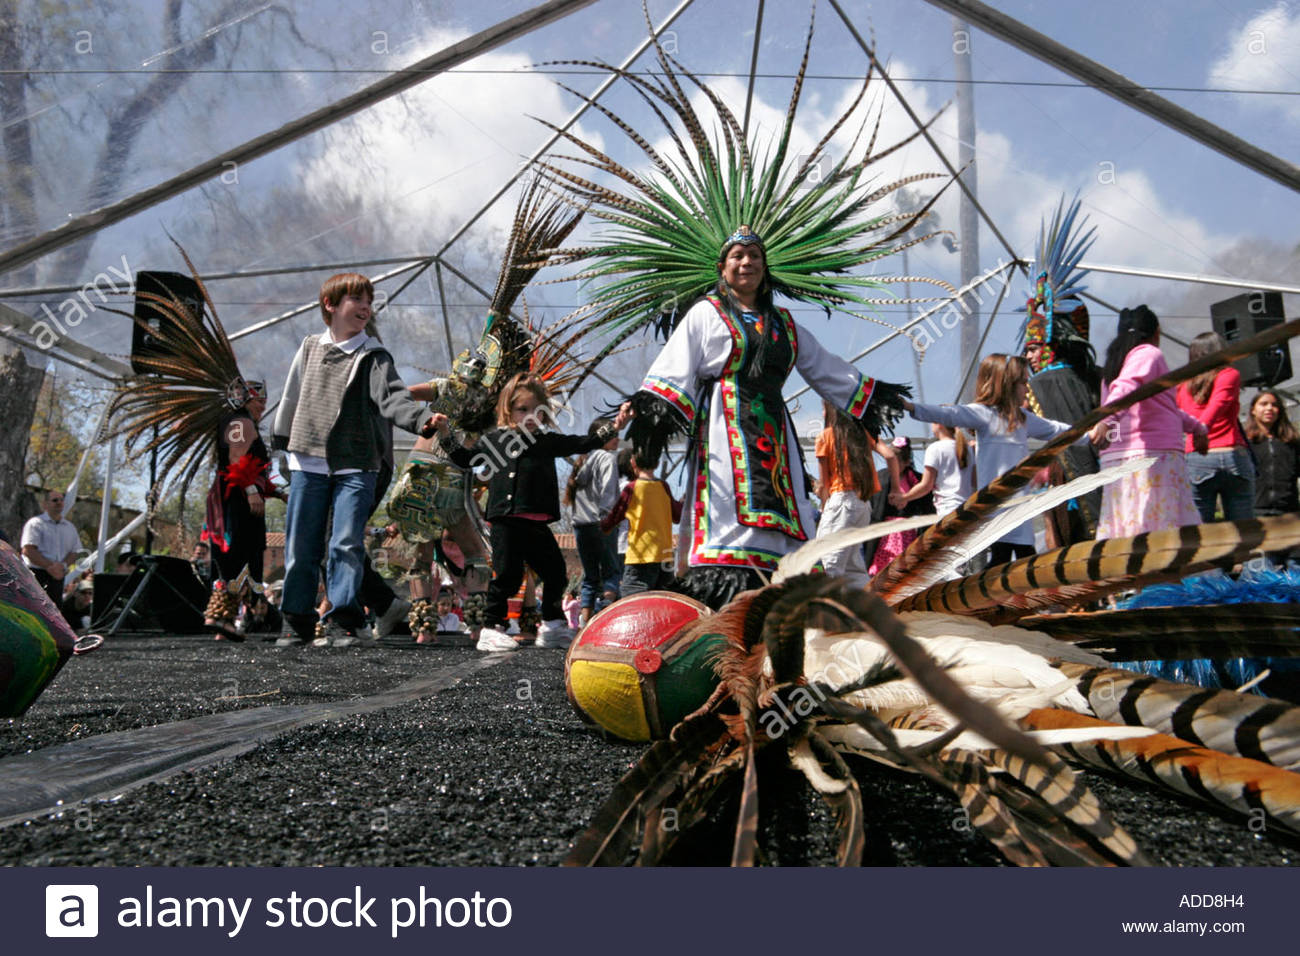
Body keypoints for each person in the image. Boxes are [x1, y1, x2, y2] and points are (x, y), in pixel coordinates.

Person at [621, 227, 909, 608]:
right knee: (727, 506)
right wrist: (650, 409)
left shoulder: (784, 325)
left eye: (754, 255)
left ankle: (783, 589)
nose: (747, 262)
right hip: (725, 429)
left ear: (765, 266)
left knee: (784, 504)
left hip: (775, 432)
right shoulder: (706, 314)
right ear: (721, 268)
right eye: (737, 256)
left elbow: (827, 369)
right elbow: (676, 366)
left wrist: (878, 398)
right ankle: (725, 597)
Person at [271, 273, 435, 648]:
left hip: (356, 465)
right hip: (307, 462)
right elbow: (292, 396)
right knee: (300, 545)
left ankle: (344, 619)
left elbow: (393, 398)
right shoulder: (310, 347)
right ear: (330, 305)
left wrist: (421, 420)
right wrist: (283, 446)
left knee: (345, 543)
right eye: (356, 300)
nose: (364, 307)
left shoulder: (373, 355)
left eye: (368, 301)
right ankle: (296, 619)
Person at [431, 373, 626, 652]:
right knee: (507, 575)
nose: (530, 416)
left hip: (536, 523)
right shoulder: (496, 440)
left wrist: (615, 426)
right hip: (506, 521)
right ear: (509, 410)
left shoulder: (546, 441)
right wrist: (446, 434)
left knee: (556, 572)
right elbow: (466, 459)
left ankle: (553, 624)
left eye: (537, 410)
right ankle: (491, 627)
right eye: (523, 409)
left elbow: (583, 442)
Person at [906, 354, 1083, 566]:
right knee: (1006, 560)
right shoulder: (983, 415)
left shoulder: (1022, 420)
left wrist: (1095, 434)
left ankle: (1007, 598)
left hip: (1018, 508)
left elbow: (1056, 430)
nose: (1028, 389)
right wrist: (910, 407)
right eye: (1023, 383)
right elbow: (949, 414)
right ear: (1007, 385)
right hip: (996, 509)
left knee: (1016, 559)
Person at [1089, 306, 1208, 539]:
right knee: (1159, 529)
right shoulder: (1148, 354)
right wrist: (1105, 419)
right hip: (1152, 458)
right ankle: (1159, 575)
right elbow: (1126, 389)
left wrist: (1198, 429)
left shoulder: (1115, 364)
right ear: (1157, 332)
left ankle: (1129, 573)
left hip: (1120, 457)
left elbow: (1165, 408)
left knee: (1128, 527)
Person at [199, 379, 281, 638]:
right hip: (235, 500)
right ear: (245, 400)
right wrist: (250, 491)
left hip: (239, 498)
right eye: (259, 401)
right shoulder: (240, 422)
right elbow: (236, 458)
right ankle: (218, 618)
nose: (263, 406)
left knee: (242, 556)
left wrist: (276, 492)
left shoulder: (245, 423)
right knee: (235, 554)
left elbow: (254, 470)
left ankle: (224, 622)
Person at [814, 400, 899, 586]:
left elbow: (824, 486)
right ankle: (869, 608)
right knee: (854, 569)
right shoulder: (863, 434)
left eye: (823, 409)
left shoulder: (825, 436)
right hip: (862, 505)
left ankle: (831, 611)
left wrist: (823, 506)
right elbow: (891, 456)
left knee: (828, 563)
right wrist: (896, 490)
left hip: (840, 503)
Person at [1177, 331, 1254, 523]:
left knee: (1200, 534)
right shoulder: (1229, 375)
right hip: (1232, 454)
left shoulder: (1181, 384)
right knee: (1242, 531)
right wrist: (1203, 428)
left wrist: (1198, 431)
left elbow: (1179, 417)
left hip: (1197, 457)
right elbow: (1219, 404)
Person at [601, 449, 682, 596]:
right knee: (663, 602)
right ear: (657, 464)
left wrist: (601, 526)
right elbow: (677, 516)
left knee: (632, 602)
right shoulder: (664, 487)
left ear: (633, 463)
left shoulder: (631, 489)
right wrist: (683, 502)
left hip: (640, 557)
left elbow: (613, 519)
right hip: (665, 557)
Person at [564, 420, 622, 626]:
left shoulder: (584, 460)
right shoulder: (606, 458)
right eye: (613, 434)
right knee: (611, 572)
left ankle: (584, 623)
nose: (617, 439)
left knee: (589, 576)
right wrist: (609, 517)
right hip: (601, 522)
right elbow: (608, 490)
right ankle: (605, 617)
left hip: (581, 524)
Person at [866, 436, 932, 576]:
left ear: (907, 462)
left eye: (896, 463)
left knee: (903, 569)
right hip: (884, 533)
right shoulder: (881, 477)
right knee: (881, 568)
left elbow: (926, 507)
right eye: (890, 463)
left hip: (906, 532)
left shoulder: (917, 480)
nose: (892, 467)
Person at [21, 489, 81, 620]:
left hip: (58, 576)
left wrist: (63, 566)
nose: (59, 503)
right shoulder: (35, 524)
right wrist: (50, 566)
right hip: (37, 574)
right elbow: (28, 550)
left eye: (61, 500)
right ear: (45, 504)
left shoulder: (69, 527)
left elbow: (75, 552)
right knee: (34, 611)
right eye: (55, 500)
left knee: (55, 613)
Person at [900, 422, 975, 518]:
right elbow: (974, 481)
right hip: (968, 507)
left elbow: (926, 485)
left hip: (948, 510)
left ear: (939, 424)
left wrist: (904, 497)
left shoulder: (935, 448)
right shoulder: (967, 449)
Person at [1246, 390, 1299, 518]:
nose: (1269, 408)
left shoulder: (1291, 442)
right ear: (1253, 410)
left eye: (1274, 405)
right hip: (1254, 512)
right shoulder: (1245, 443)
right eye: (1263, 404)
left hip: (1288, 512)